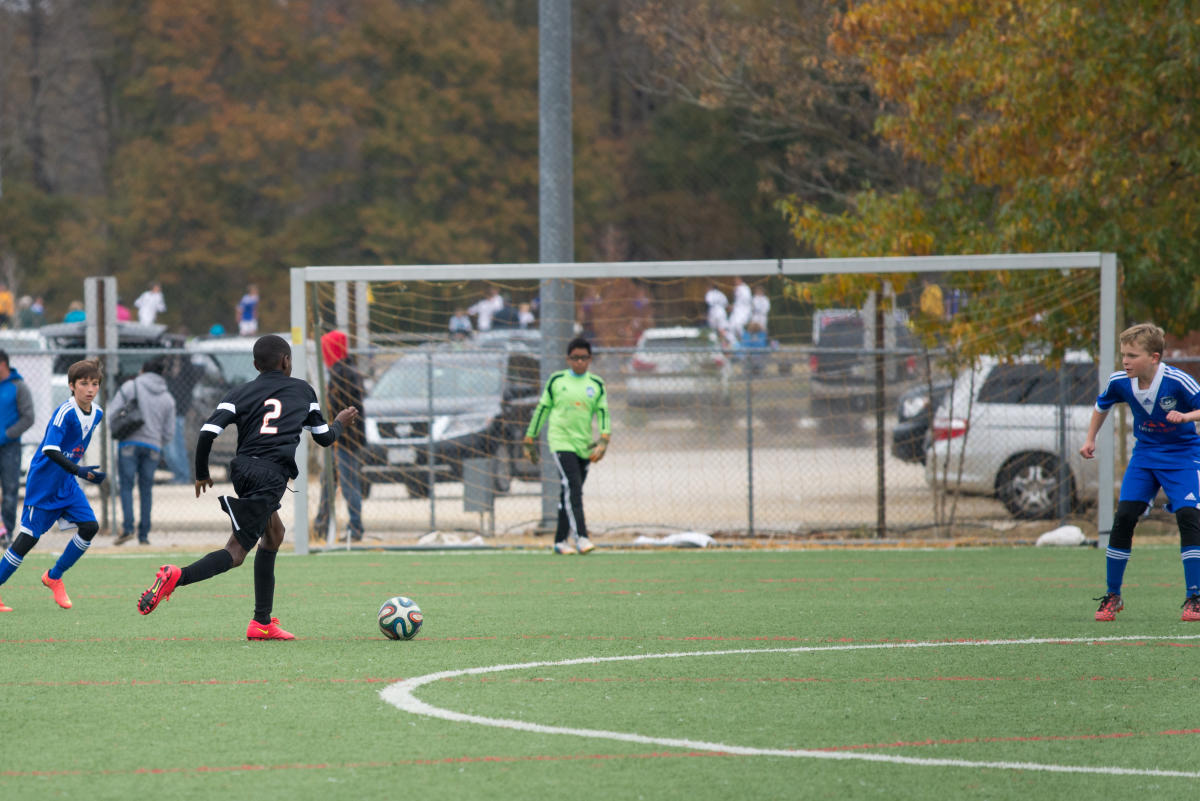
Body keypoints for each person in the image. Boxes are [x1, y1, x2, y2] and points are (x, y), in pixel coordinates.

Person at [136, 335, 357, 639]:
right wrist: (341, 422)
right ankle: (176, 577)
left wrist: (200, 472)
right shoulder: (304, 391)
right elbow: (324, 438)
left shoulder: (240, 392)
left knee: (275, 534)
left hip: (242, 470)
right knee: (236, 552)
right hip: (270, 476)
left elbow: (206, 432)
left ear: (255, 365)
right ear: (287, 361)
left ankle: (261, 623)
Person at [1081, 323, 1200, 622]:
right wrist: (1090, 438)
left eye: (1132, 355)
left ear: (1154, 358)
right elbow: (1101, 405)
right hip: (1145, 457)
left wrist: (1185, 416)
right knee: (1123, 518)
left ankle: (1195, 597)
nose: (1125, 361)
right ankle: (1112, 595)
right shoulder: (1120, 381)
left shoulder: (1178, 381)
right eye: (1123, 354)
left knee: (1189, 517)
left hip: (1182, 457)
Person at [0, 359, 106, 612]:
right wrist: (77, 469)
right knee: (27, 540)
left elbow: (75, 448)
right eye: (83, 384)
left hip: (66, 483)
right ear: (72, 386)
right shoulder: (65, 412)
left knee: (90, 526)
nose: (90, 389)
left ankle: (54, 576)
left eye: (95, 384)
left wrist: (79, 472)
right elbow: (50, 449)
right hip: (45, 484)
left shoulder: (98, 413)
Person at [523, 337, 611, 556]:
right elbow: (543, 409)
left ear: (590, 359)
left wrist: (604, 439)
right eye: (575, 358)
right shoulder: (557, 381)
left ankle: (560, 541)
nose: (579, 362)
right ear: (567, 359)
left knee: (568, 492)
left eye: (583, 358)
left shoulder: (596, 384)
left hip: (584, 445)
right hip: (561, 441)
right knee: (574, 486)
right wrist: (530, 437)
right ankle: (581, 536)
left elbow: (603, 413)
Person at [109, 358, 176, 546]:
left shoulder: (131, 386)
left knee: (126, 486)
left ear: (143, 370)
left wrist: (118, 428)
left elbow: (112, 412)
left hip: (128, 443)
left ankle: (128, 528)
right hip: (153, 446)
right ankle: (144, 534)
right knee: (146, 489)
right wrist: (158, 441)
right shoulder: (167, 397)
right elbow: (169, 432)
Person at [312, 331, 365, 542]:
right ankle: (321, 526)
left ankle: (355, 529)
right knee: (328, 481)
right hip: (339, 438)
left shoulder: (343, 373)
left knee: (349, 482)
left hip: (346, 440)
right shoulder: (341, 371)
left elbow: (340, 407)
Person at [0, 352, 34, 549]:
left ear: (3, 364)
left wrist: (7, 434)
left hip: (10, 448)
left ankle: (7, 534)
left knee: (10, 489)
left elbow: (28, 417)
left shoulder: (18, 387)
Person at [161, 354, 200, 484]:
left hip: (178, 414)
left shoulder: (186, 377)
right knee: (168, 449)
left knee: (177, 446)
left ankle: (183, 476)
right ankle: (179, 474)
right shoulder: (167, 376)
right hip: (166, 414)